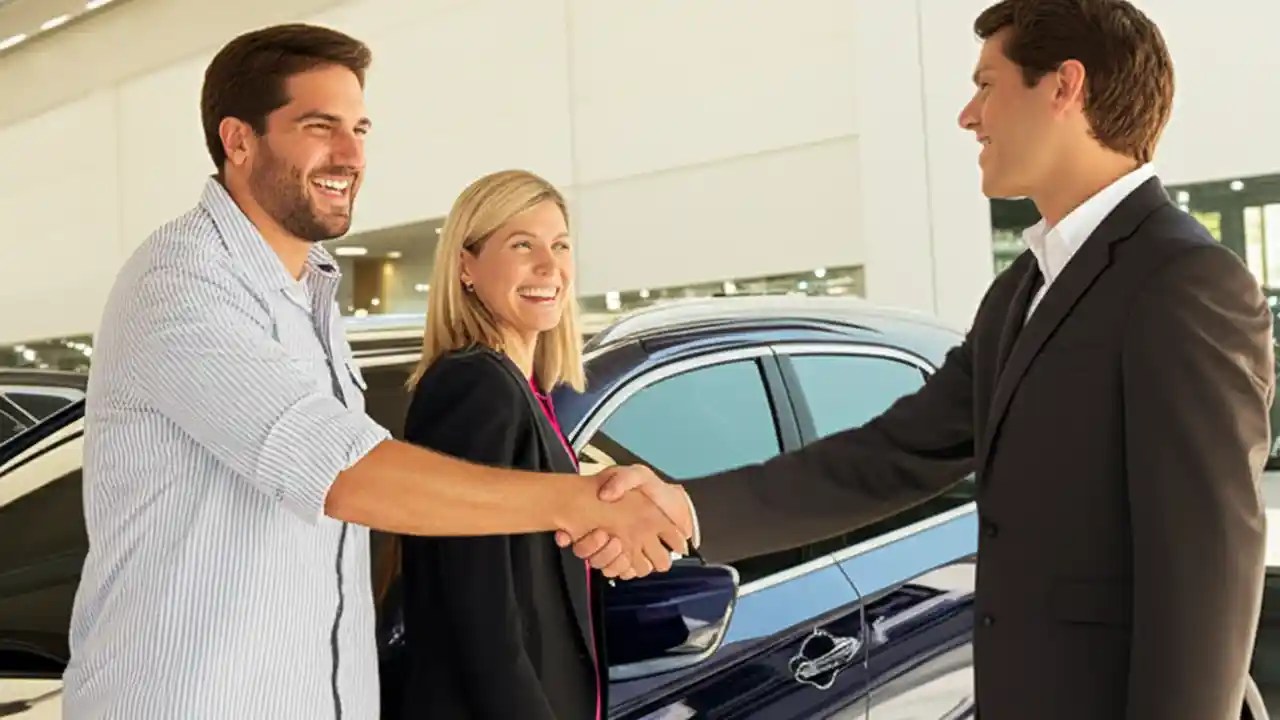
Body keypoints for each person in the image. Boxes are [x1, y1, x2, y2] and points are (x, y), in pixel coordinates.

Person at [570, 1, 1276, 718]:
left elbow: (1206, 573)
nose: (969, 116)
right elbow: (889, 455)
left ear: (1065, 86)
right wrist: (688, 508)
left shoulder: (1183, 281)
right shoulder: (1020, 290)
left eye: (986, 84)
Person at [65, 24, 692, 719]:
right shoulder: (181, 279)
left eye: (360, 128)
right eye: (319, 126)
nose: (352, 154)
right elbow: (341, 472)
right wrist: (581, 500)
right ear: (238, 140)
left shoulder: (311, 294)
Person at [379, 169, 604, 719]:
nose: (549, 266)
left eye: (560, 245)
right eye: (522, 245)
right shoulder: (475, 386)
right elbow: (478, 611)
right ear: (466, 266)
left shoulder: (522, 390)